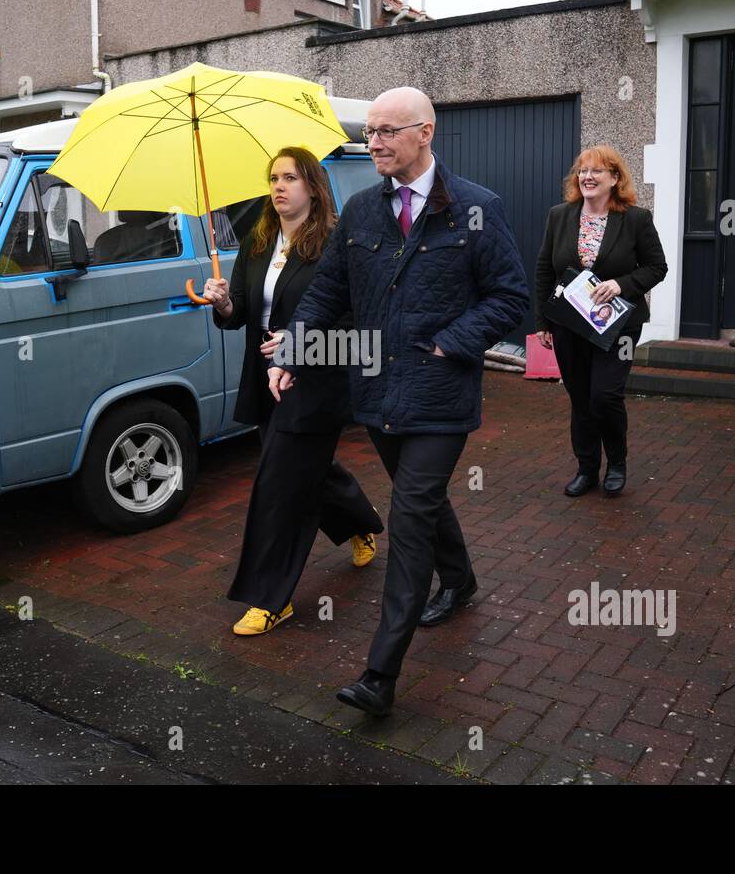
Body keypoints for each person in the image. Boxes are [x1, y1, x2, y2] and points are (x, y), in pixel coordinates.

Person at [269, 88, 530, 716]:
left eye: (388, 132)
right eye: (370, 134)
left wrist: (452, 343)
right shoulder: (359, 213)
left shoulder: (475, 208)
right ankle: (461, 579)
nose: (376, 143)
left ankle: (380, 675)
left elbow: (510, 296)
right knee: (426, 498)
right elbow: (327, 292)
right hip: (378, 392)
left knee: (409, 516)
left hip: (441, 393)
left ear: (426, 132)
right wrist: (291, 353)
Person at [204, 147, 383, 637]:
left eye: (289, 178)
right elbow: (240, 311)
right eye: (273, 178)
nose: (278, 187)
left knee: (279, 485)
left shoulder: (333, 243)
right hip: (267, 378)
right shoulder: (256, 241)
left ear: (312, 186)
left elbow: (358, 323)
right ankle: (361, 523)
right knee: (309, 469)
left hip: (313, 380)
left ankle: (270, 598)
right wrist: (221, 303)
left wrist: (303, 341)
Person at [534, 145, 668, 498]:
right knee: (580, 398)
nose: (588, 177)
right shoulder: (560, 215)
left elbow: (657, 268)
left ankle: (618, 463)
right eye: (582, 171)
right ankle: (587, 468)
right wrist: (543, 322)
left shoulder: (636, 219)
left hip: (618, 326)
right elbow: (545, 268)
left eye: (597, 171)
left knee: (605, 396)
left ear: (615, 178)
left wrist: (620, 284)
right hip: (568, 323)